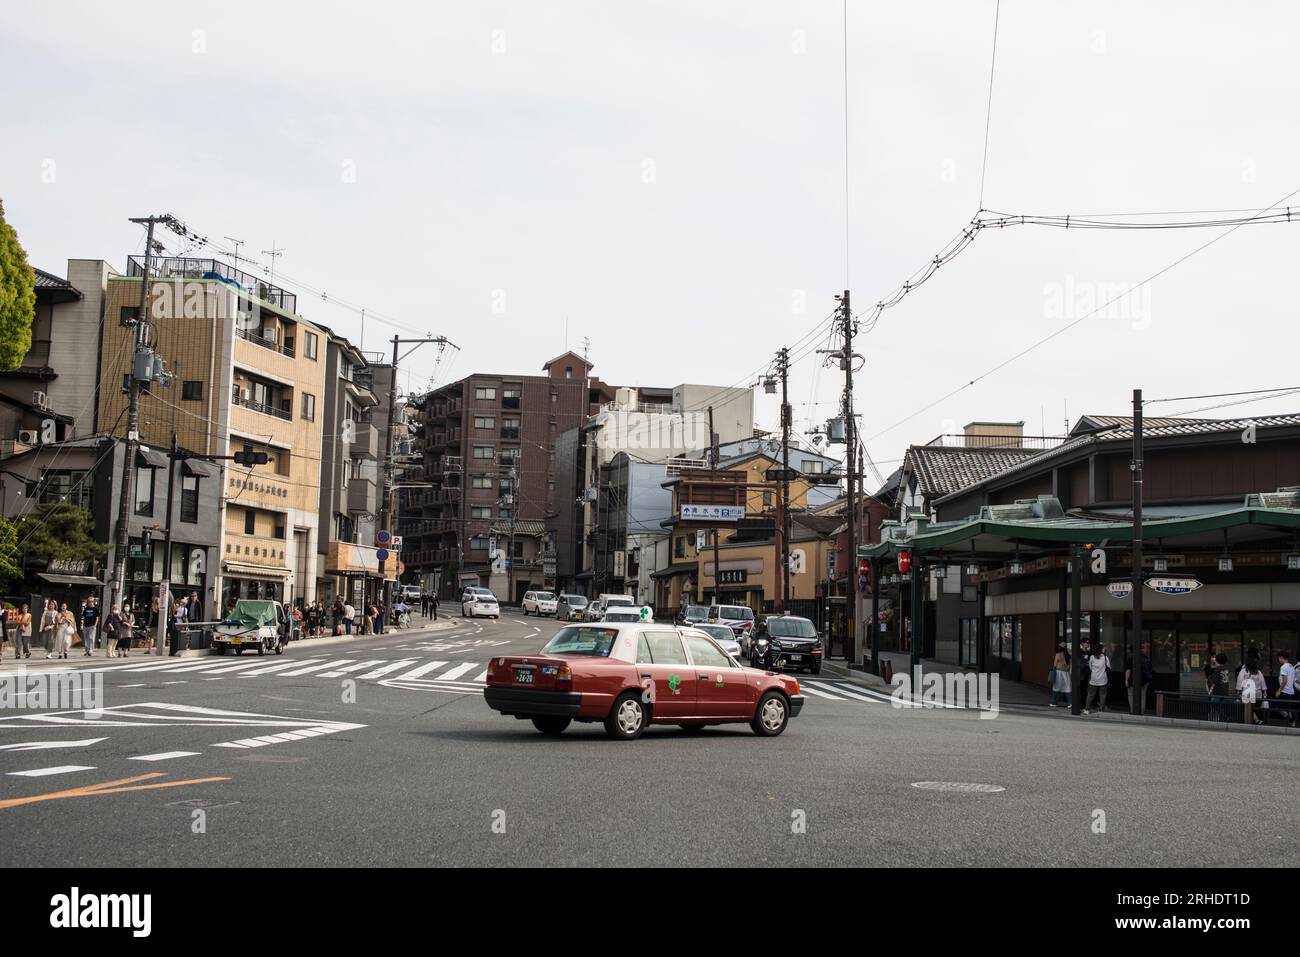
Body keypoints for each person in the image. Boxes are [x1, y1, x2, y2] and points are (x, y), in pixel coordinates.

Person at [1238, 656, 1267, 725]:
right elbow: (1263, 683)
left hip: (1249, 695)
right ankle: (1256, 720)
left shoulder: (1246, 673)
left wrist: (1239, 692)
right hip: (1258, 695)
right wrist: (1265, 692)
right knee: (1254, 710)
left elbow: (1240, 683)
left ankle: (1255, 721)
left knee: (1249, 709)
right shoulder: (1259, 672)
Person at [1083, 645, 1111, 714]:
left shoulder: (1092, 657)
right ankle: (1101, 710)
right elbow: (1109, 667)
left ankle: (1087, 709)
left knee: (1090, 695)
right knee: (1102, 695)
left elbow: (1090, 667)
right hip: (1103, 679)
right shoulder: (1105, 657)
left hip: (1093, 679)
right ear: (1101, 650)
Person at [1273, 650, 1296, 728]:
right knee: (1288, 708)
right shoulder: (1291, 666)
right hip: (1291, 691)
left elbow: (1284, 680)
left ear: (1281, 658)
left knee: (1278, 707)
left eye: (1279, 658)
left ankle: (1290, 720)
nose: (1278, 660)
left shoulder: (1283, 667)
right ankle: (1291, 722)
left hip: (1284, 691)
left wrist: (1279, 690)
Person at [1050, 643, 1071, 708]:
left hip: (1059, 672)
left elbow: (1055, 665)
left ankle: (1054, 703)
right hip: (1066, 673)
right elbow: (1069, 666)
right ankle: (1070, 703)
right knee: (1067, 687)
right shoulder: (1068, 655)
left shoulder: (1058, 655)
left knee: (1056, 687)